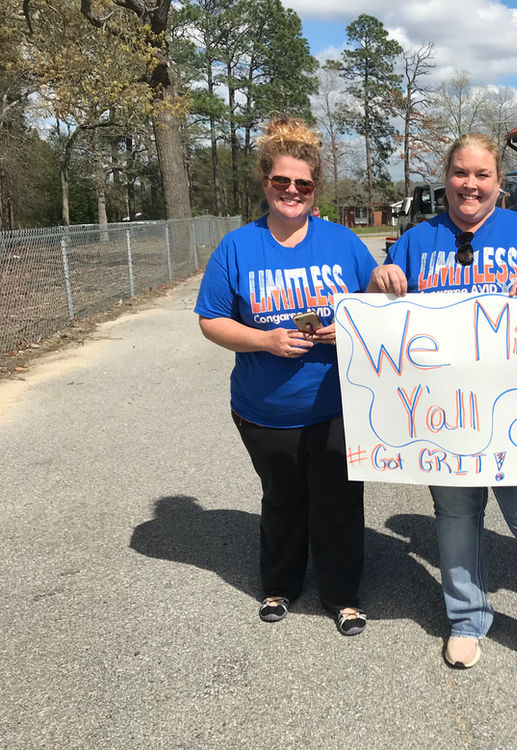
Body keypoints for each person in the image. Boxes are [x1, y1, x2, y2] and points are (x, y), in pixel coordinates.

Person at [368, 132, 517, 697]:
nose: (470, 185)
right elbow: (379, 316)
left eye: (482, 175)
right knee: (454, 519)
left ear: (499, 183)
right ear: (446, 178)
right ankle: (466, 619)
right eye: (460, 173)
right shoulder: (415, 239)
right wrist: (380, 283)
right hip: (441, 417)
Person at [194, 117, 377, 636]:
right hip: (264, 407)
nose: (292, 191)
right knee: (282, 498)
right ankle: (280, 583)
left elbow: (378, 310)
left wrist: (349, 331)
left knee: (338, 503)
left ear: (315, 188)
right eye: (282, 181)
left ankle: (342, 594)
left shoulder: (343, 244)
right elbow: (212, 320)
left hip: (337, 405)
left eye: (303, 183)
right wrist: (265, 339)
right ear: (265, 182)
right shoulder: (237, 247)